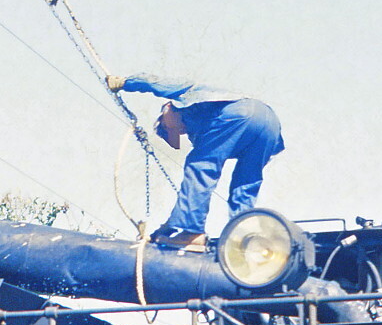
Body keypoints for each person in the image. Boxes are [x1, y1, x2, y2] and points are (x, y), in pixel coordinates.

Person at [107, 73, 284, 251]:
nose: (181, 130)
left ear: (167, 109)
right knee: (245, 183)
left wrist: (125, 83)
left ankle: (192, 234)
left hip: (238, 113)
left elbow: (154, 82)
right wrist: (165, 230)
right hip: (270, 122)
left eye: (170, 128)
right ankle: (244, 237)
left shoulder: (185, 93)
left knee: (199, 166)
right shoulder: (201, 129)